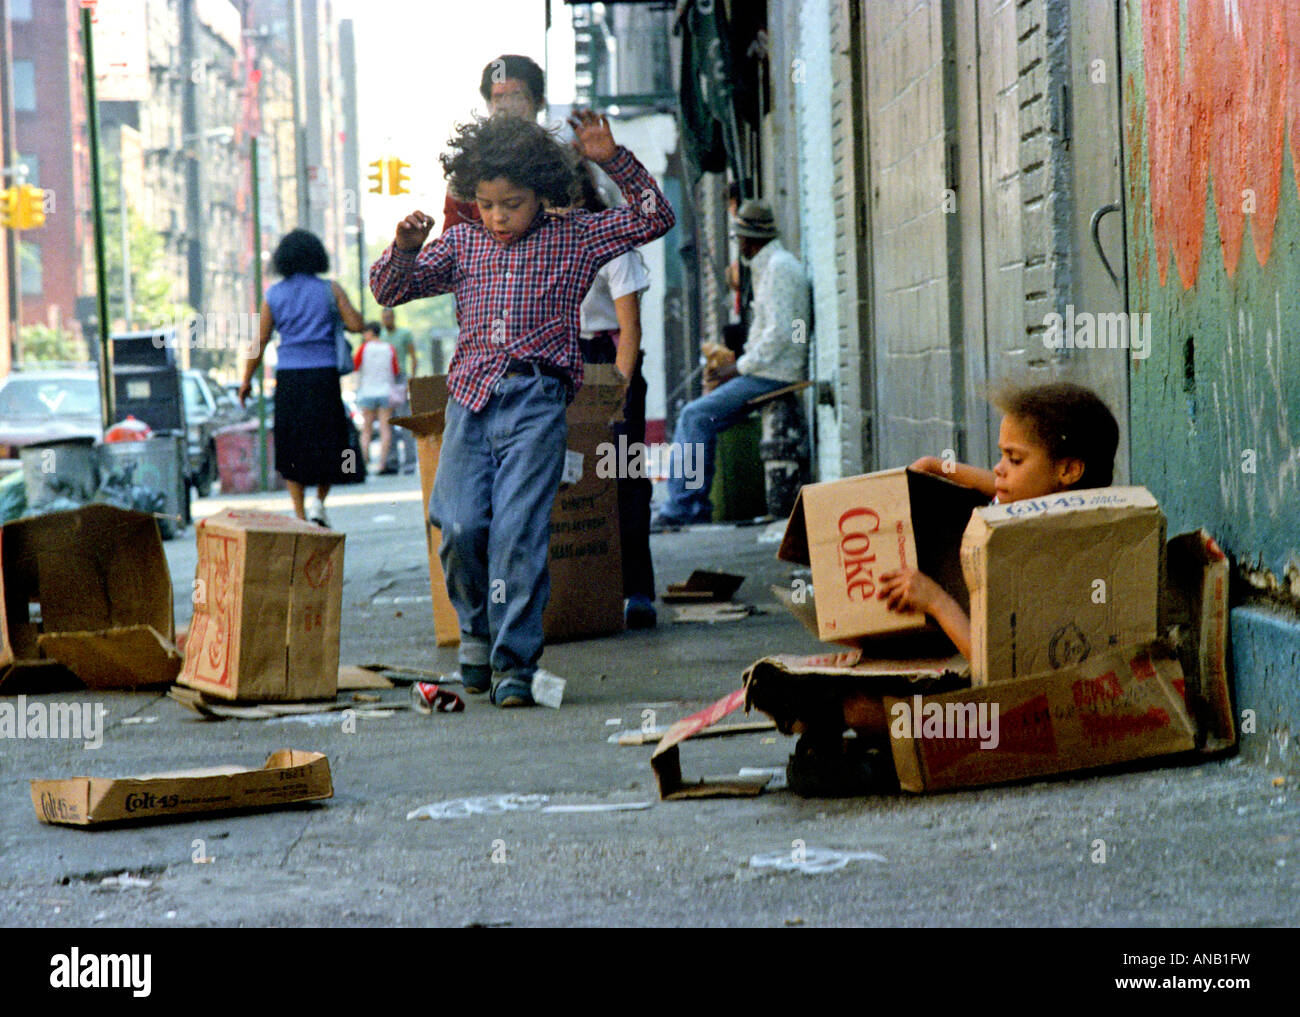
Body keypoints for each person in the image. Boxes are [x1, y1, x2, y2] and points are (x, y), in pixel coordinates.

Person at [370, 110, 676, 708]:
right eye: (485, 204)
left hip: (537, 402)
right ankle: (477, 632)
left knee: (518, 533)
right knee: (458, 524)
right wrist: (404, 249)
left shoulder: (578, 237)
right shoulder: (460, 244)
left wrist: (611, 158)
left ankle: (514, 663)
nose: (498, 216)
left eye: (511, 202)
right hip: (471, 402)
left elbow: (655, 217)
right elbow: (389, 291)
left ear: (542, 192)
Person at [878, 381, 1121, 658]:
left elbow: (998, 664)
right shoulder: (1031, 503)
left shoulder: (1056, 555)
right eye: (1002, 454)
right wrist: (938, 467)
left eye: (1014, 459)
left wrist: (935, 601)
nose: (998, 468)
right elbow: (998, 486)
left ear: (1068, 470)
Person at [651, 200, 809, 529]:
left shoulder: (779, 268)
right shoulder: (775, 266)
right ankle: (690, 503)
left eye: (740, 241)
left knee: (694, 416)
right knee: (699, 417)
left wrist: (736, 368)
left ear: (749, 241)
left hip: (774, 374)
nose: (740, 247)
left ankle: (684, 507)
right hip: (771, 368)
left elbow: (781, 335)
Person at [571, 168, 657, 629]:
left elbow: (631, 328)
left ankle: (637, 590)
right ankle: (576, 591)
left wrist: (617, 394)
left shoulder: (613, 244)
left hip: (609, 357)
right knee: (564, 478)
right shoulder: (542, 245)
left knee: (622, 472)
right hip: (562, 357)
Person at [239, 228, 363, 527]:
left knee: (293, 446)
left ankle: (299, 514)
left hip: (290, 380)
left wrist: (246, 381)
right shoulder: (330, 289)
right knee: (329, 442)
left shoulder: (274, 295)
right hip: (324, 378)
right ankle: (320, 504)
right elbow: (356, 324)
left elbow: (260, 342)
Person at [441, 54, 549, 233]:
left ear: (539, 102)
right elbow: (451, 238)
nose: (506, 106)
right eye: (498, 98)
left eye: (517, 96)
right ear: (489, 104)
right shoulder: (467, 169)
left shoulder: (567, 164)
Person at [352, 321, 400, 474]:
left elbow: (354, 366)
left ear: (371, 332)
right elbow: (396, 370)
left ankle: (364, 462)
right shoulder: (389, 348)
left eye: (365, 332)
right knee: (385, 429)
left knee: (366, 430)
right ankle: (381, 464)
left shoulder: (363, 349)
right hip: (386, 391)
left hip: (367, 392)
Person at [380, 306, 418, 474]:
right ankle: (392, 460)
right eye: (384, 318)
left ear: (394, 317)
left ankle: (410, 461)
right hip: (384, 379)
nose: (387, 320)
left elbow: (413, 357)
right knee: (388, 422)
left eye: (389, 317)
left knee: (404, 420)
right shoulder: (380, 336)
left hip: (400, 378)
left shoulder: (404, 334)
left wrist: (412, 381)